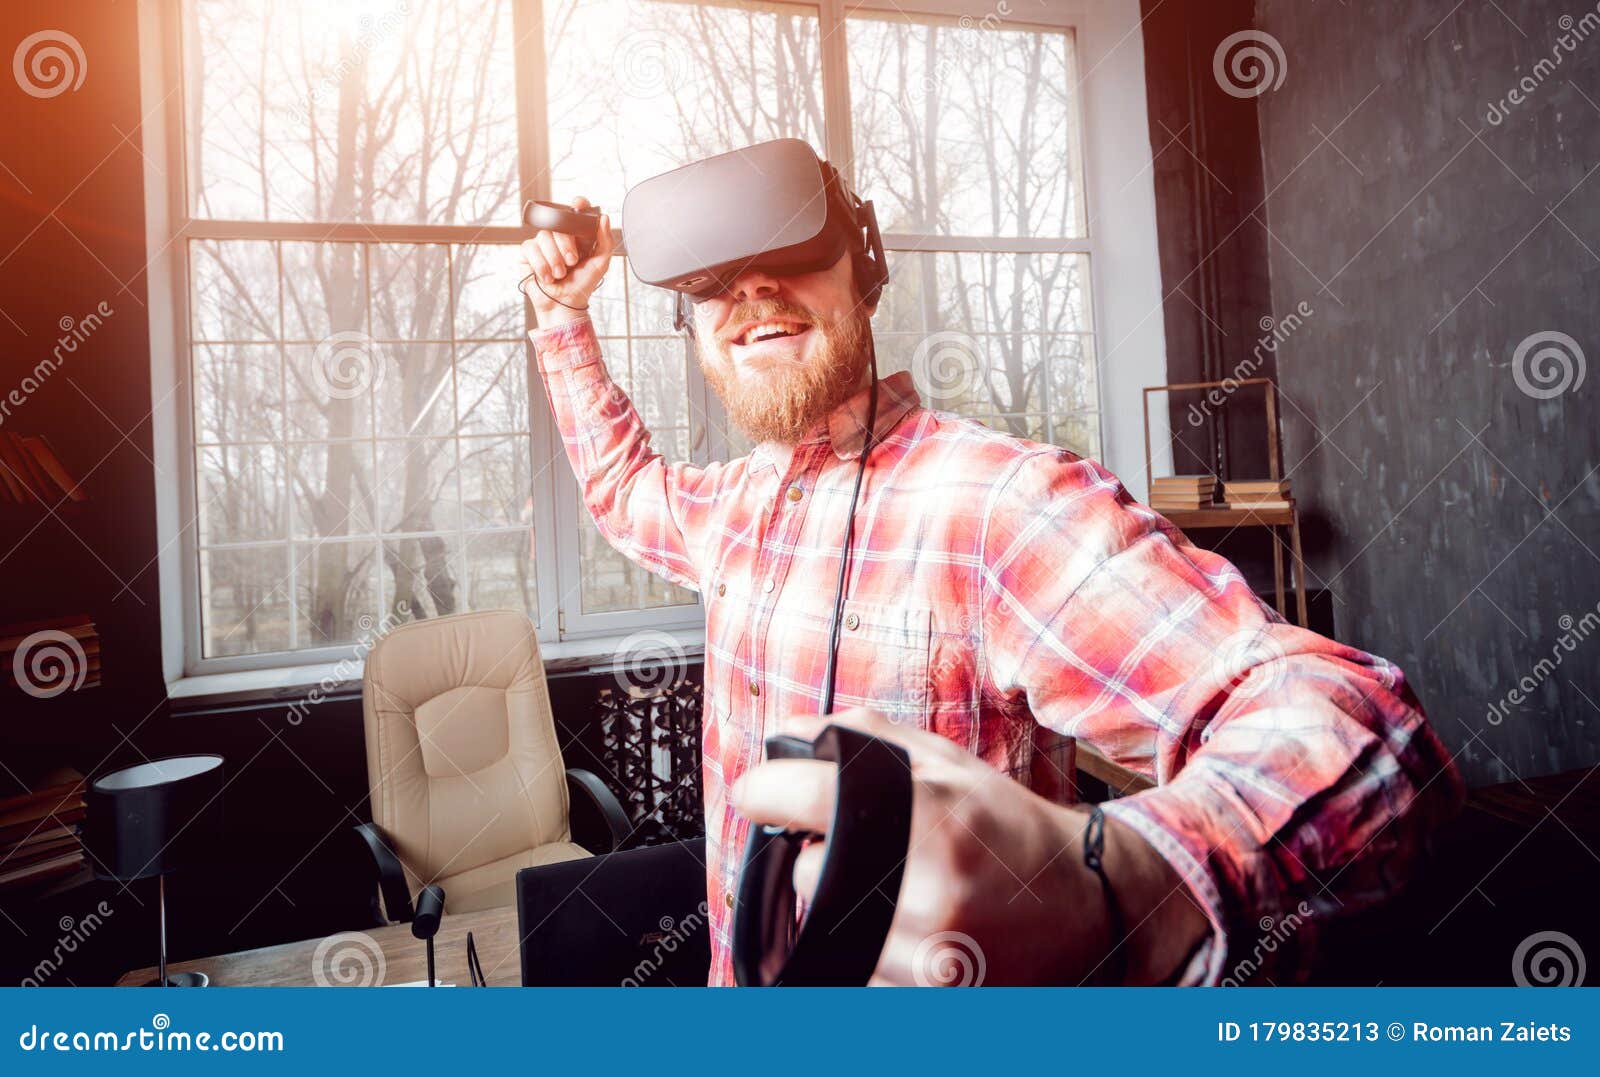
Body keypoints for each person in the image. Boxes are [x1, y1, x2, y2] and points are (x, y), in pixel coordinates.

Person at [518, 163, 1461, 987]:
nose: (753, 285)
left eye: (793, 250)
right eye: (715, 279)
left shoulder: (1001, 505)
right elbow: (618, 485)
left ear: (868, 272)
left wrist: (1123, 886)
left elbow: (1362, 732)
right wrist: (562, 315)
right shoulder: (730, 511)